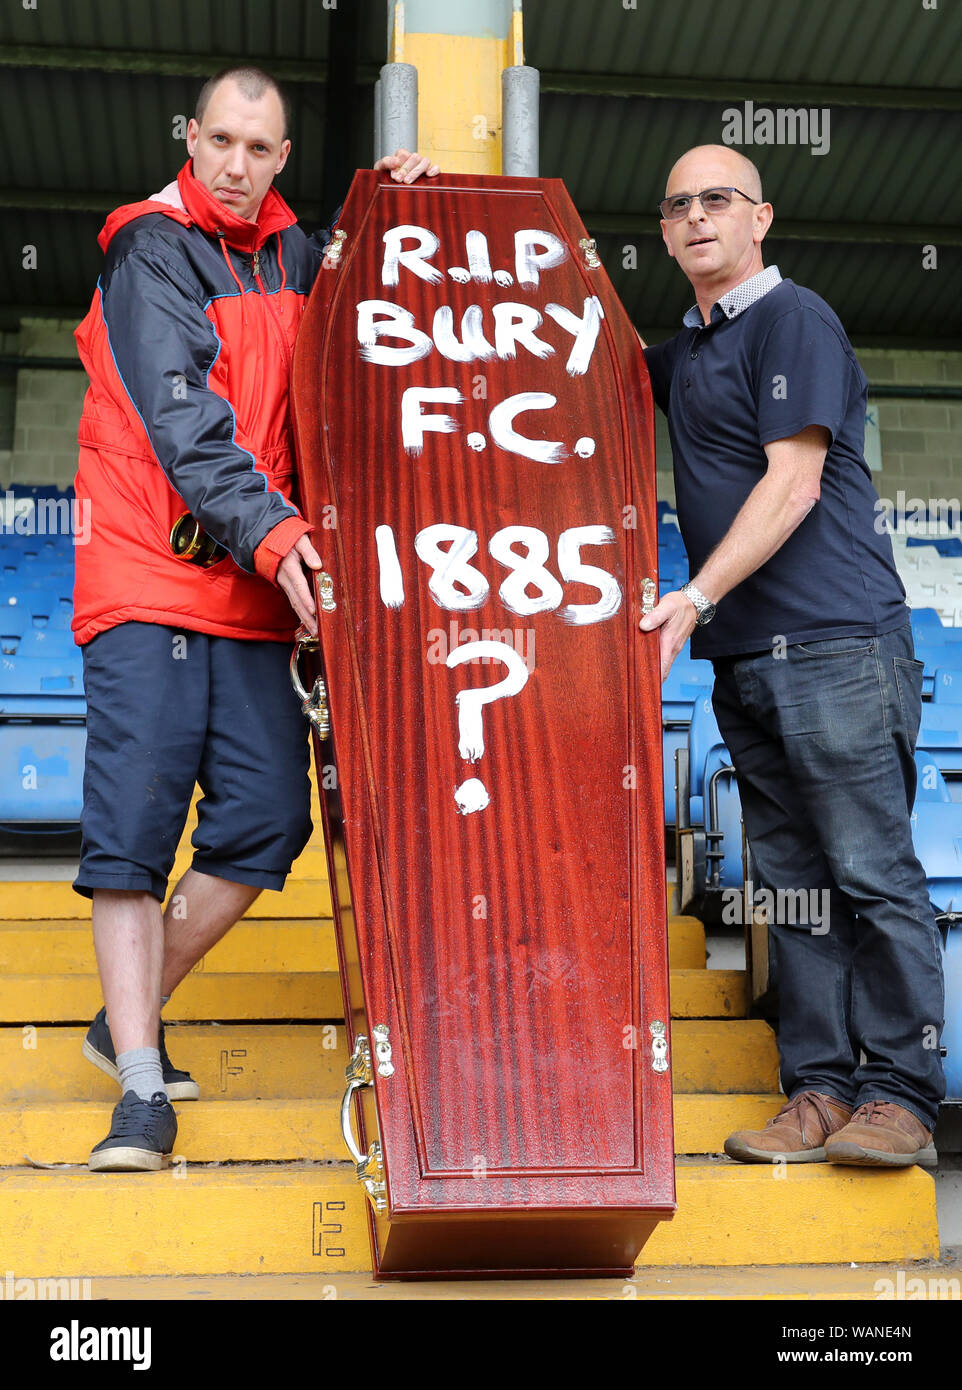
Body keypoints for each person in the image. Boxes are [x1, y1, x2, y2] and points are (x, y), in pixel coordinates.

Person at [71, 65, 439, 1171]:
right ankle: (140, 1086)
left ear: (283, 159)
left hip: (255, 590)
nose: (235, 165)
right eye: (219, 141)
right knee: (133, 833)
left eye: (258, 148)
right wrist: (282, 542)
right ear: (191, 137)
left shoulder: (297, 256)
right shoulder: (150, 249)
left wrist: (397, 214)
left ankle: (121, 1014)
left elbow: (371, 334)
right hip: (150, 576)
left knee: (271, 819)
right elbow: (188, 426)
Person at [639, 144, 945, 1168]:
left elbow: (793, 484)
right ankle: (815, 1092)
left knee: (868, 875)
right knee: (789, 890)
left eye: (715, 200)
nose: (694, 218)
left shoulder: (792, 316)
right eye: (676, 205)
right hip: (746, 664)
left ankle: (898, 1096)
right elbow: (563, 343)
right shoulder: (681, 352)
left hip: (838, 648)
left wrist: (691, 593)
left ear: (758, 218)